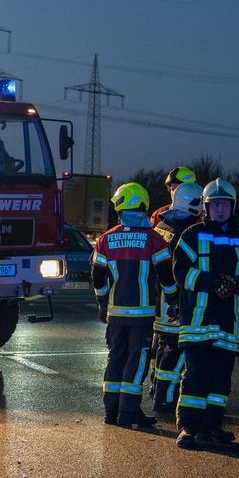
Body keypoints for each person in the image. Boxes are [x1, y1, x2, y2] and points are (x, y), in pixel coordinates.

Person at [173, 178, 239, 449]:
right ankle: (188, 428)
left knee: (220, 380)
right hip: (197, 323)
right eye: (215, 205)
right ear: (206, 208)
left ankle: (213, 426)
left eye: (225, 204)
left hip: (227, 323)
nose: (220, 210)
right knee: (195, 376)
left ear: (232, 207)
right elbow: (180, 272)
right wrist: (213, 283)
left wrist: (238, 285)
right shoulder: (190, 234)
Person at [92, 182, 176, 429]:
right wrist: (172, 300)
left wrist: (102, 302)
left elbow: (97, 277)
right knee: (137, 360)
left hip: (115, 315)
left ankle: (111, 411)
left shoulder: (105, 239)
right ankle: (128, 412)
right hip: (142, 316)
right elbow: (166, 276)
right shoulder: (154, 239)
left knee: (115, 357)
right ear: (143, 204)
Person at [149, 181, 203, 412]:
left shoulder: (163, 223)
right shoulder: (185, 230)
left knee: (164, 348)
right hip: (176, 301)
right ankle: (167, 397)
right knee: (177, 351)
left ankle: (158, 389)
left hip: (160, 301)